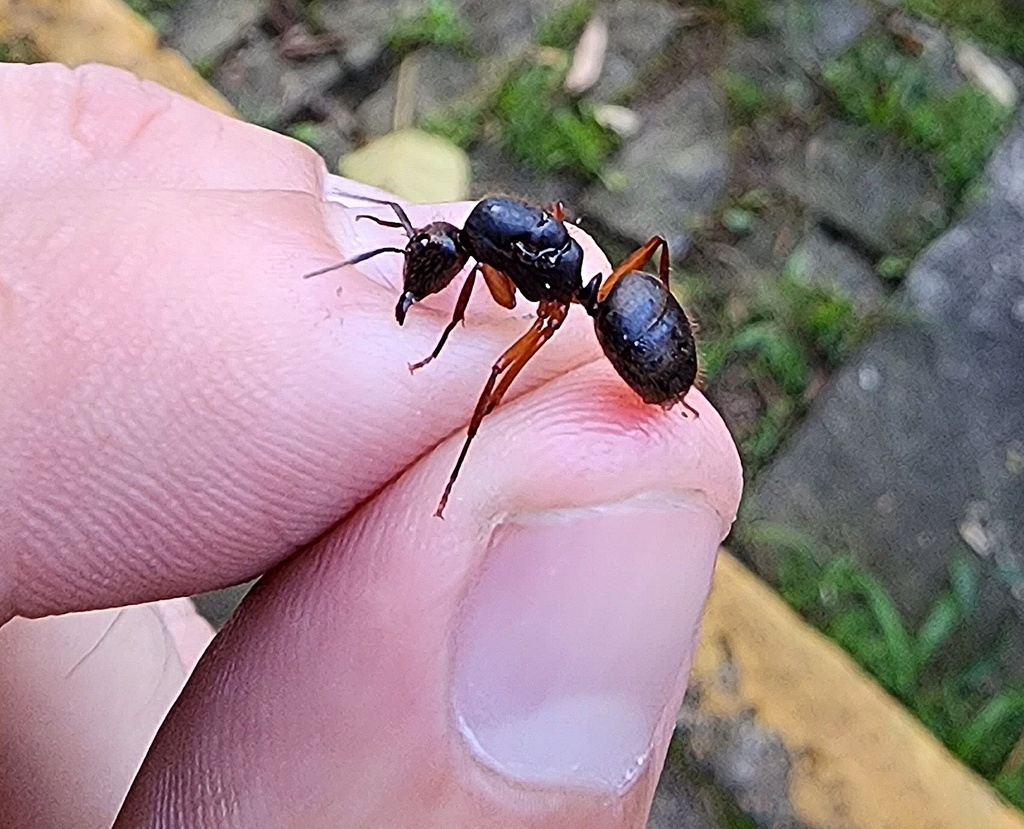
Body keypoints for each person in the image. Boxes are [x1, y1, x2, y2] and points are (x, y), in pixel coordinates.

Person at [0, 62, 742, 828]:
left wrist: (443, 334)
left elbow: (488, 304)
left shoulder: (522, 268)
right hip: (616, 303)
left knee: (492, 371)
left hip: (625, 323)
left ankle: (465, 479)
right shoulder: (517, 245)